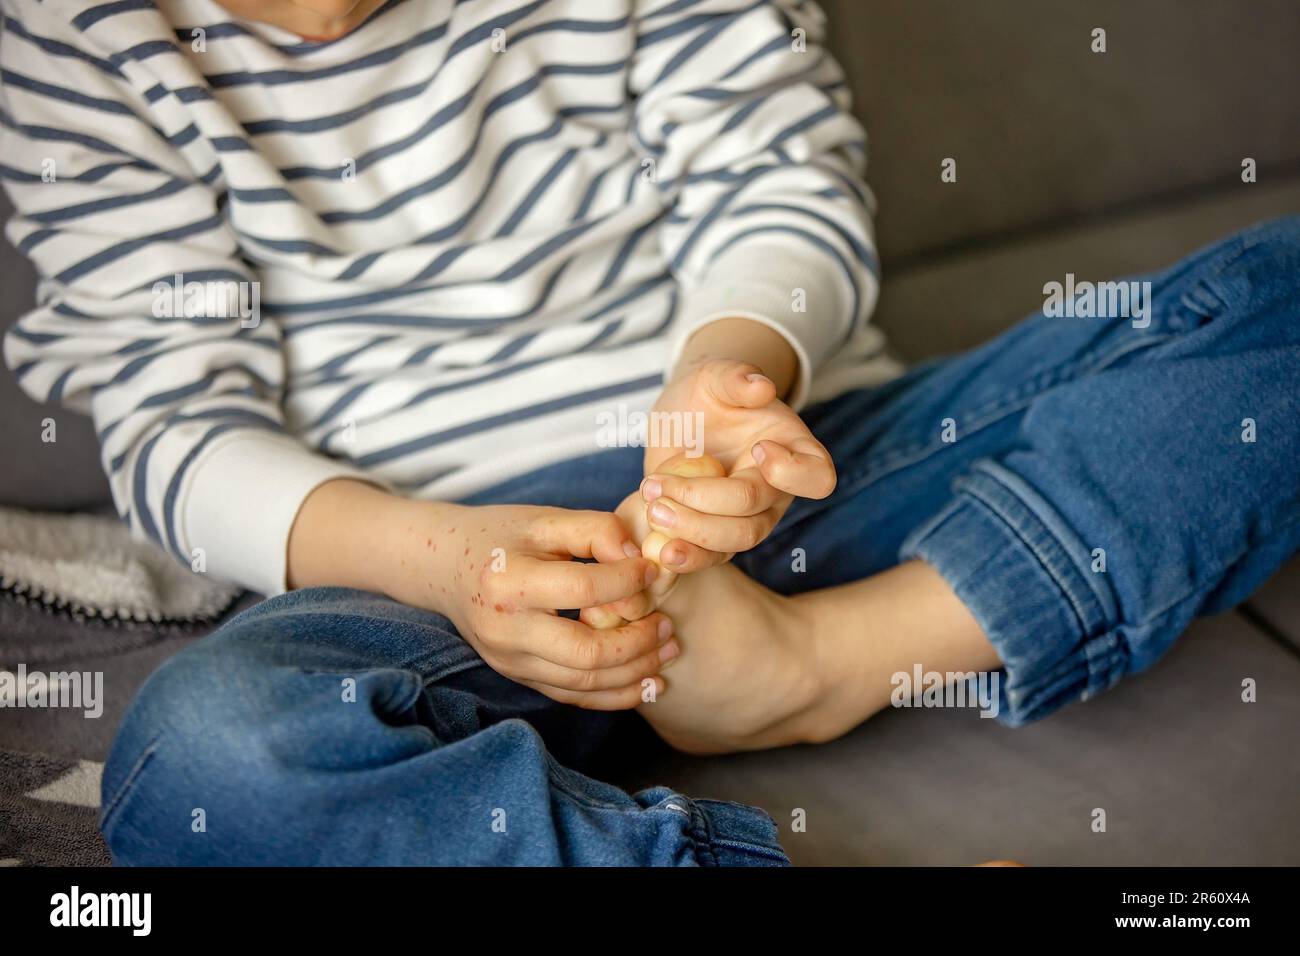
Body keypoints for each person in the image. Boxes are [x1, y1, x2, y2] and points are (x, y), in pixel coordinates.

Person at [3, 0, 1296, 865]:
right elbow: (173, 417)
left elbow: (775, 181)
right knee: (217, 751)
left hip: (809, 463)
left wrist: (725, 384)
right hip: (424, 564)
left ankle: (820, 661)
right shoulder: (64, 31)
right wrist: (448, 564)